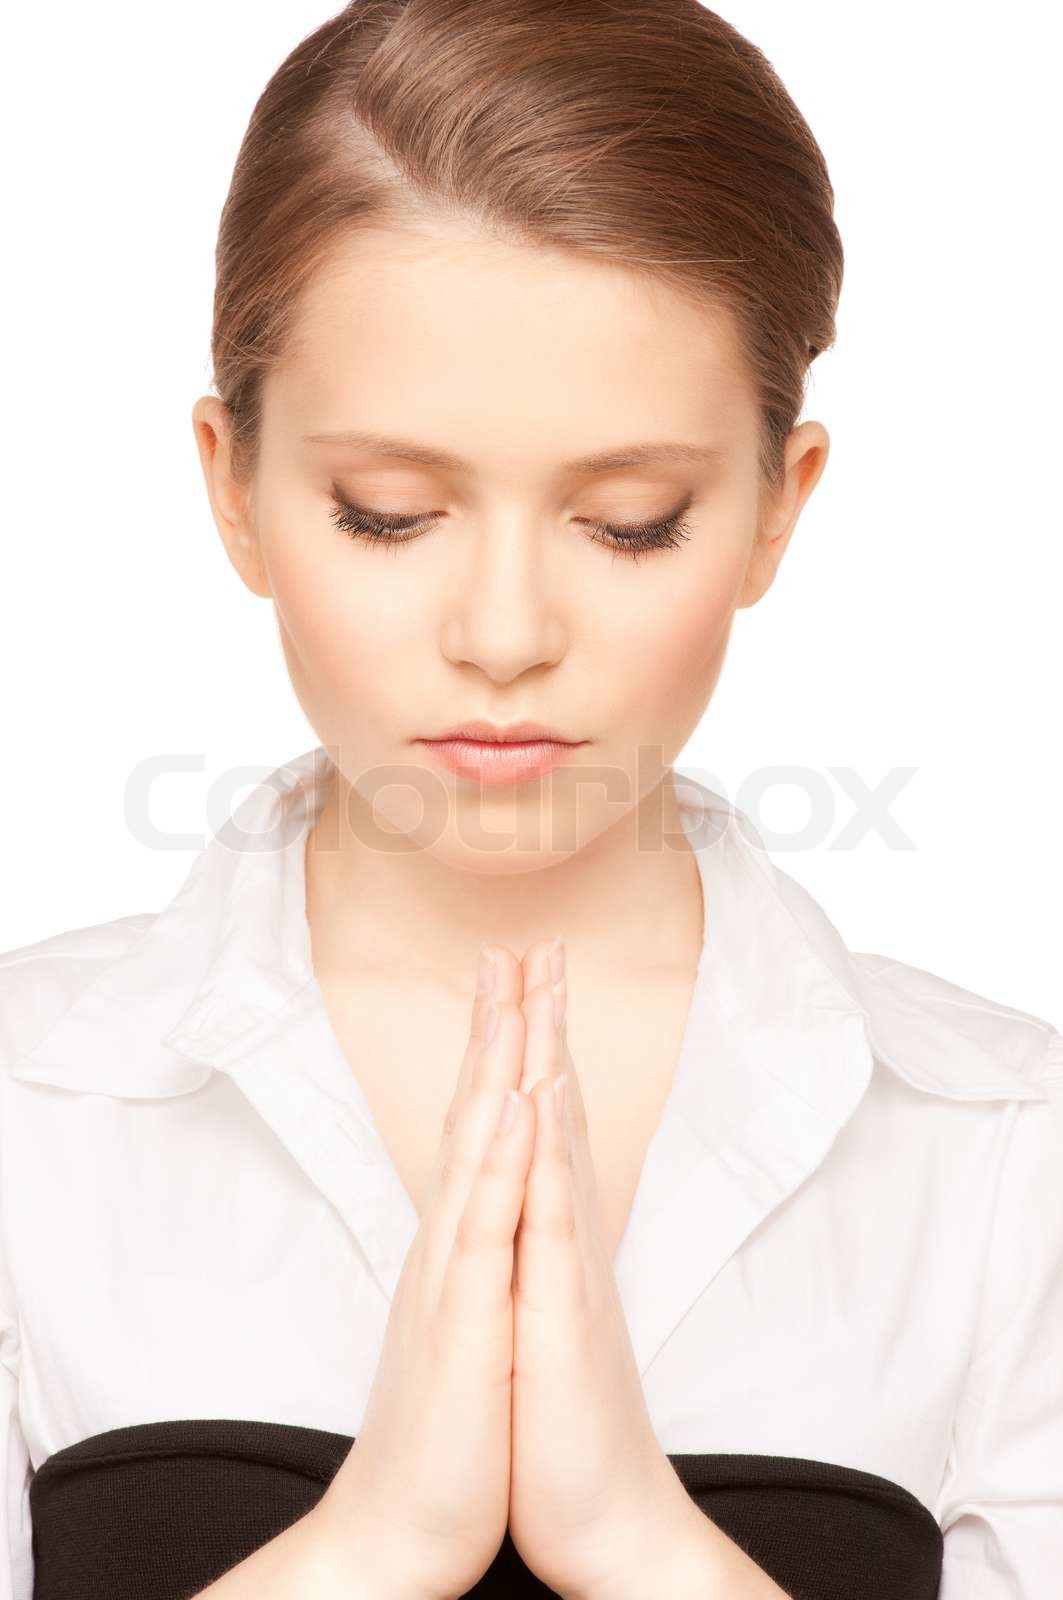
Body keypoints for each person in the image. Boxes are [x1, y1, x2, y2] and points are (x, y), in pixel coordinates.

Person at [2, 1, 1060, 1596]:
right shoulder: (26, 1124)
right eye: (388, 513)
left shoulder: (1009, 1167)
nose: (504, 637)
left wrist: (643, 1548)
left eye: (629, 522)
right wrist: (372, 1547)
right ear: (232, 485)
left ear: (780, 506)